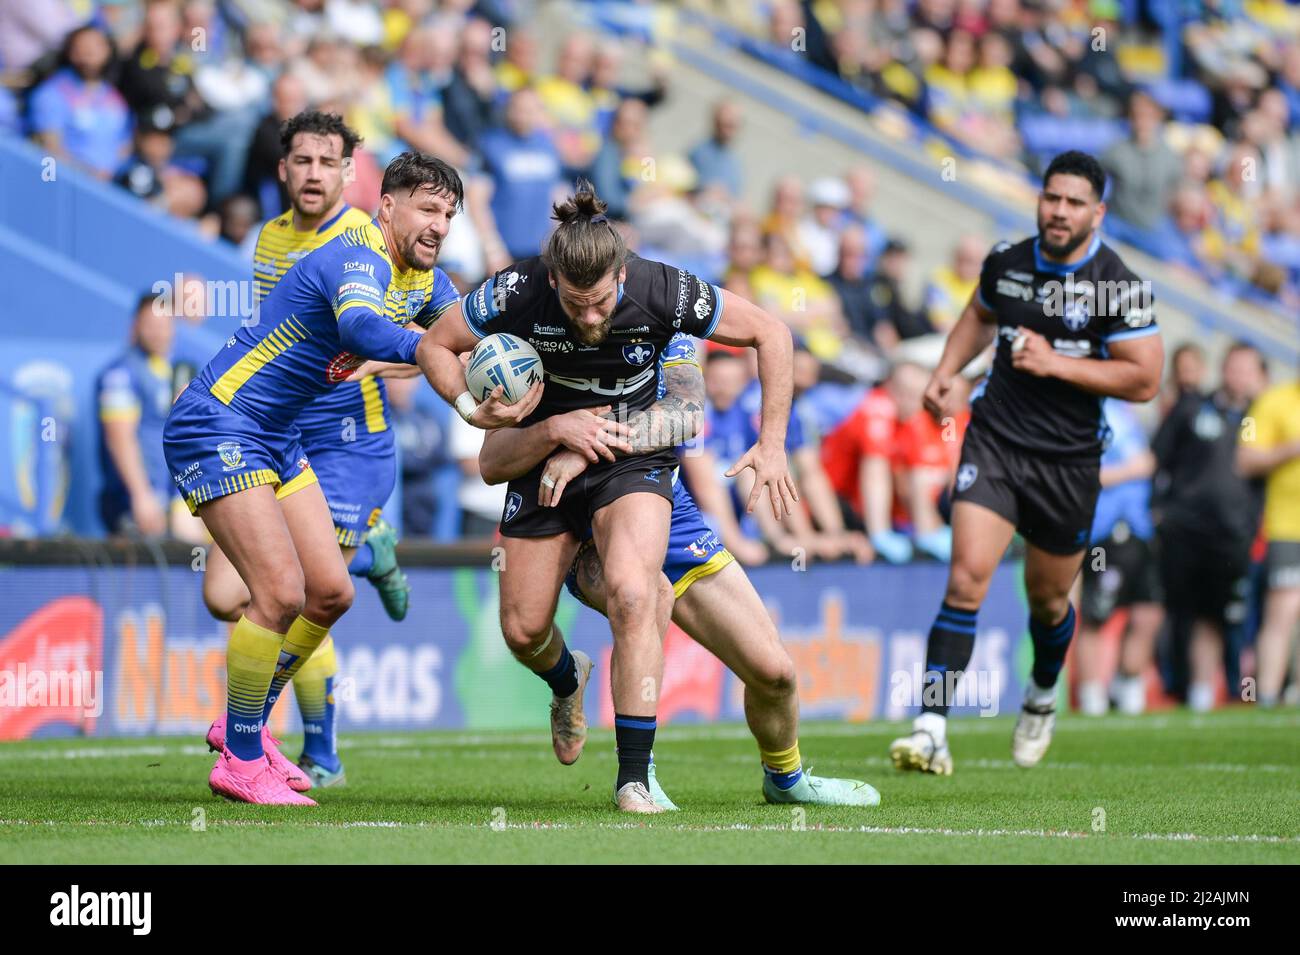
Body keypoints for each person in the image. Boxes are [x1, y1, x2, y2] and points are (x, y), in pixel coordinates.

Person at [415, 183, 798, 813]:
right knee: (521, 629)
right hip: (542, 456)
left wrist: (773, 442)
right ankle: (568, 679)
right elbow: (436, 346)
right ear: (554, 279)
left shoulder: (663, 291)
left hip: (630, 460)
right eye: (574, 303)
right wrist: (475, 408)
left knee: (633, 590)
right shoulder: (518, 288)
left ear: (621, 274)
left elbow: (766, 337)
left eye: (599, 303)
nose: (589, 317)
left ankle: (635, 779)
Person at [163, 152, 465, 805]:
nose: (439, 223)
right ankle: (242, 758)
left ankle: (242, 728)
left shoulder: (424, 276)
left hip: (278, 436)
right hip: (221, 423)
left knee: (329, 592)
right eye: (426, 207)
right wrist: (426, 348)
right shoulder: (358, 254)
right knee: (274, 594)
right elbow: (359, 324)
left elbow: (471, 326)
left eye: (448, 213)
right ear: (385, 206)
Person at [479, 333, 880, 808]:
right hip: (586, 522)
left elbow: (685, 414)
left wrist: (586, 443)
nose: (594, 304)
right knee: (643, 599)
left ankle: (786, 779)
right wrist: (554, 432)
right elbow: (492, 459)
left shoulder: (665, 317)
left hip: (668, 509)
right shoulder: (547, 326)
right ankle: (635, 772)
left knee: (775, 674)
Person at [889, 151, 1164, 774]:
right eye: (1051, 198)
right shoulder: (1008, 262)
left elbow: (1146, 379)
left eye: (1073, 203)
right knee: (966, 579)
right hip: (996, 443)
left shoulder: (1118, 284)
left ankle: (1041, 694)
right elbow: (978, 315)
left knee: (1047, 603)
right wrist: (944, 373)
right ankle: (930, 726)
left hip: (1068, 463)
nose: (1059, 211)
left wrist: (1058, 363)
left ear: (1099, 212)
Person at [1153, 344, 1268, 711]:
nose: (1239, 376)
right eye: (1233, 367)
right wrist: (1158, 510)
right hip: (1184, 530)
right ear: (1222, 368)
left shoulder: (1257, 419)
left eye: (1247, 370)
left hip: (1233, 535)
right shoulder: (1192, 407)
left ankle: (1237, 692)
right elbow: (1158, 457)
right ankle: (1177, 689)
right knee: (1177, 612)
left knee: (1225, 616)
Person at [1075, 399, 1164, 716]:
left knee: (1148, 612)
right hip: (1104, 531)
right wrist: (1133, 469)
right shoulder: (1087, 410)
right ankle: (1091, 692)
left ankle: (1127, 682)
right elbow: (1080, 471)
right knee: (1097, 613)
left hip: (1140, 529)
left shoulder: (1129, 413)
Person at [1236, 375, 1300, 707]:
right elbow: (1246, 458)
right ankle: (1267, 695)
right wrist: (1291, 448)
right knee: (1283, 612)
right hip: (1288, 527)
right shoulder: (1272, 401)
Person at [97, 294, 179, 538]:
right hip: (134, 504)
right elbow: (119, 436)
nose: (158, 333)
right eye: (151, 325)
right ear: (135, 327)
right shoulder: (120, 374)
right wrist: (141, 495)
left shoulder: (173, 369)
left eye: (164, 326)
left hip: (172, 500)